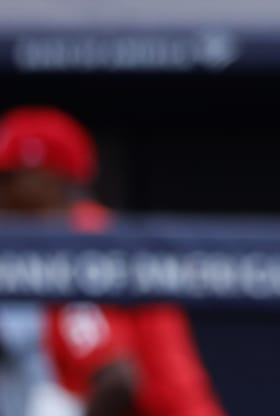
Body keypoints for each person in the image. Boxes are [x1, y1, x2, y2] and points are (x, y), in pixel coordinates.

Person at [0, 106, 226, 416]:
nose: (2, 192)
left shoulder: (81, 243)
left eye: (8, 178)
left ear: (49, 181)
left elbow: (117, 379)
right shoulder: (91, 231)